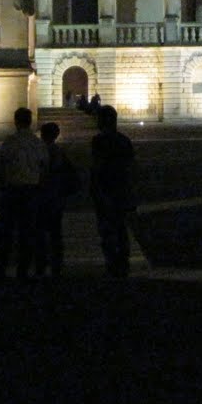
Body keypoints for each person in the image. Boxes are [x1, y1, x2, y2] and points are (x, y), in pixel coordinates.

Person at [0, 107, 47, 279]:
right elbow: (44, 166)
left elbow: (2, 165)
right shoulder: (37, 142)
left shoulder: (10, 142)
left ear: (15, 121)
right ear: (30, 122)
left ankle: (2, 267)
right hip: (31, 190)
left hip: (12, 189)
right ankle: (24, 268)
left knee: (7, 231)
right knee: (28, 230)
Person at [90, 105, 136, 277]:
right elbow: (131, 167)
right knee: (121, 228)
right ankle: (123, 262)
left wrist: (95, 189)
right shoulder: (125, 140)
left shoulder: (98, 141)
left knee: (107, 230)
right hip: (122, 190)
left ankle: (112, 262)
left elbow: (97, 167)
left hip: (106, 191)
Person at [35, 121, 80, 276]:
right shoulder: (58, 152)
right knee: (55, 231)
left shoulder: (39, 151)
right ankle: (57, 262)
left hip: (42, 195)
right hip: (56, 196)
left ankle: (41, 261)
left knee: (40, 230)